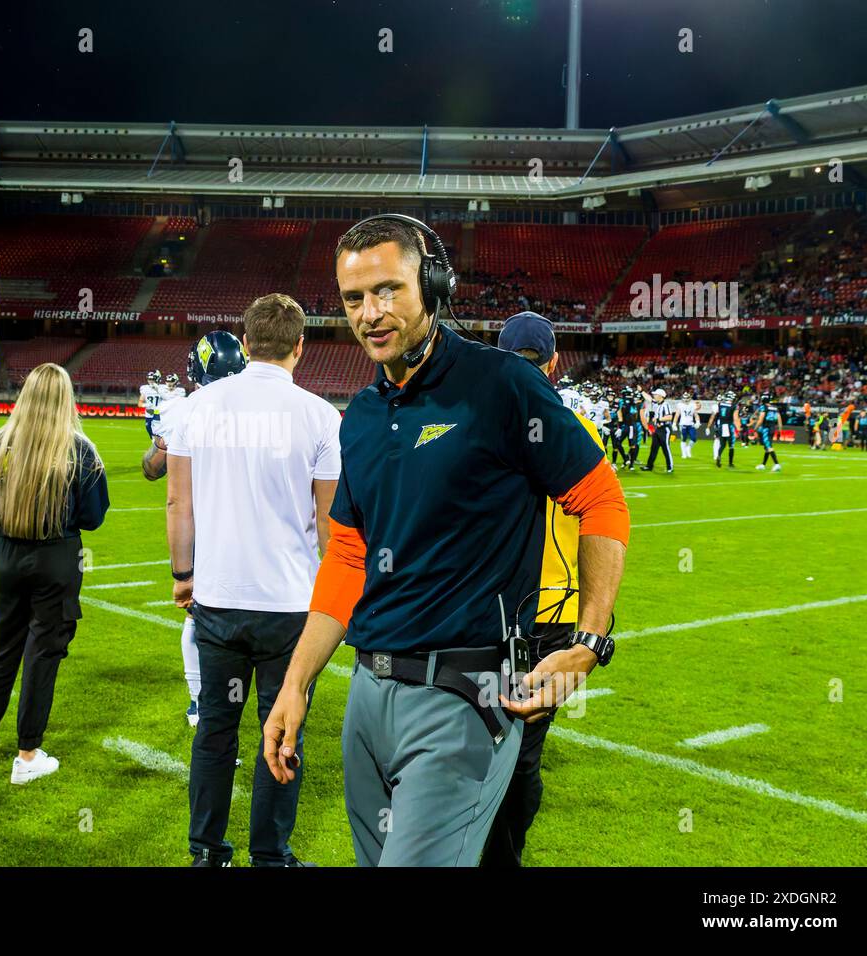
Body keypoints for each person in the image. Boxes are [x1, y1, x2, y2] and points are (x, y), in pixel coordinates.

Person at [261, 215, 628, 867]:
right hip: (368, 697)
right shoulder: (364, 417)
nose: (370, 312)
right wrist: (295, 684)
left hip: (462, 696)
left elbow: (599, 499)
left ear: (433, 284)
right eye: (353, 298)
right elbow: (348, 556)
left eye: (388, 290)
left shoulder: (504, 386)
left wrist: (589, 642)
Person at [167, 293, 341, 868]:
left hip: (217, 599)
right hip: (291, 606)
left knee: (215, 731)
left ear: (244, 344)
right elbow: (330, 521)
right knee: (284, 729)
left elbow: (178, 502)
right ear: (299, 347)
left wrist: (183, 574)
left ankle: (207, 852)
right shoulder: (319, 414)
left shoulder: (199, 407)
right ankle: (270, 854)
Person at [484, 311, 607, 867]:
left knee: (475, 743)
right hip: (558, 613)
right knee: (524, 752)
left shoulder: (481, 425)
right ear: (555, 362)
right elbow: (601, 522)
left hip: (493, 607)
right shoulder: (580, 430)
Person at [0, 363, 108, 783]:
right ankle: (27, 756)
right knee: (42, 656)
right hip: (56, 559)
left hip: (6, 558)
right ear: (66, 399)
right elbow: (93, 516)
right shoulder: (79, 450)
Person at [141, 331, 249, 727]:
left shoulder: (186, 410)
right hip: (249, 528)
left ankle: (200, 701)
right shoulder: (260, 407)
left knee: (199, 618)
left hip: (203, 526)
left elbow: (152, 470)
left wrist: (161, 444)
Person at [641, 387, 675, 473]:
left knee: (666, 448)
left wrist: (658, 419)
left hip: (665, 429)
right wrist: (641, 391)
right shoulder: (657, 404)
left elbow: (670, 417)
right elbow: (649, 398)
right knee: (653, 448)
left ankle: (670, 467)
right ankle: (649, 466)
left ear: (661, 396)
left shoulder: (665, 405)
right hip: (658, 429)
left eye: (656, 394)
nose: (654, 395)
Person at [707, 390, 741, 468]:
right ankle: (730, 463)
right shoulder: (734, 406)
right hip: (729, 426)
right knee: (731, 446)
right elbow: (735, 419)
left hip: (721, 426)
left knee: (722, 444)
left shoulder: (720, 404)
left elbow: (716, 415)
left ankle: (718, 457)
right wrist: (738, 429)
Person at [753, 393, 784, 471]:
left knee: (768, 446)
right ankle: (763, 464)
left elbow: (760, 419)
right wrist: (780, 430)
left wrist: (755, 428)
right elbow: (779, 419)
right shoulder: (774, 408)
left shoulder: (763, 407)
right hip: (772, 427)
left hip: (766, 428)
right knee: (767, 447)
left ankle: (776, 464)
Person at [138, 368, 165, 437]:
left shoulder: (163, 388)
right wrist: (146, 405)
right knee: (150, 432)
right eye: (149, 379)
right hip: (149, 413)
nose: (150, 381)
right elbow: (140, 403)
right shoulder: (145, 388)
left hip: (160, 413)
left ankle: (159, 447)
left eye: (152, 379)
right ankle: (156, 446)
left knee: (159, 434)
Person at [675, 391, 700, 459]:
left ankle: (688, 448)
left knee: (694, 438)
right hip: (683, 424)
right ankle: (684, 453)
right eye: (684, 398)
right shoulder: (680, 405)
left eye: (687, 398)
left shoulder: (692, 405)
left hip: (691, 424)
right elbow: (677, 414)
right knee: (683, 439)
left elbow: (696, 414)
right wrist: (674, 423)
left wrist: (697, 421)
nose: (686, 400)